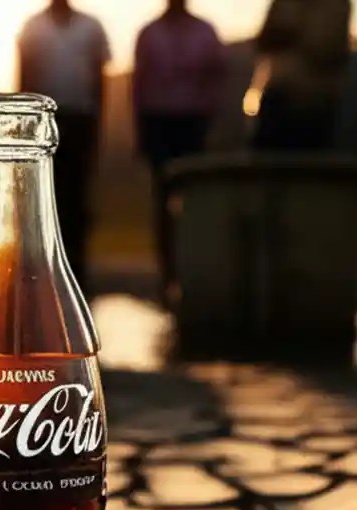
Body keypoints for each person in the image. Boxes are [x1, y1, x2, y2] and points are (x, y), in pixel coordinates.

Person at [133, 0, 225, 304]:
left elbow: (216, 79)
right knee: (162, 199)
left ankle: (191, 269)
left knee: (194, 201)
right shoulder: (149, 33)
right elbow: (139, 84)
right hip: (159, 120)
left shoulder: (205, 32)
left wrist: (214, 124)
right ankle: (168, 272)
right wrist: (141, 130)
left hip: (194, 121)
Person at [17, 0, 111, 292]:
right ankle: (43, 271)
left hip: (80, 118)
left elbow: (99, 79)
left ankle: (76, 270)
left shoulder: (91, 27)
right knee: (45, 198)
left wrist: (98, 124)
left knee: (77, 197)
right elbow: (24, 78)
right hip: (45, 122)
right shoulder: (32, 27)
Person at [250, 0, 352, 151]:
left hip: (314, 103)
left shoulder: (335, 5)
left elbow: (326, 47)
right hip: (280, 97)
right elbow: (265, 39)